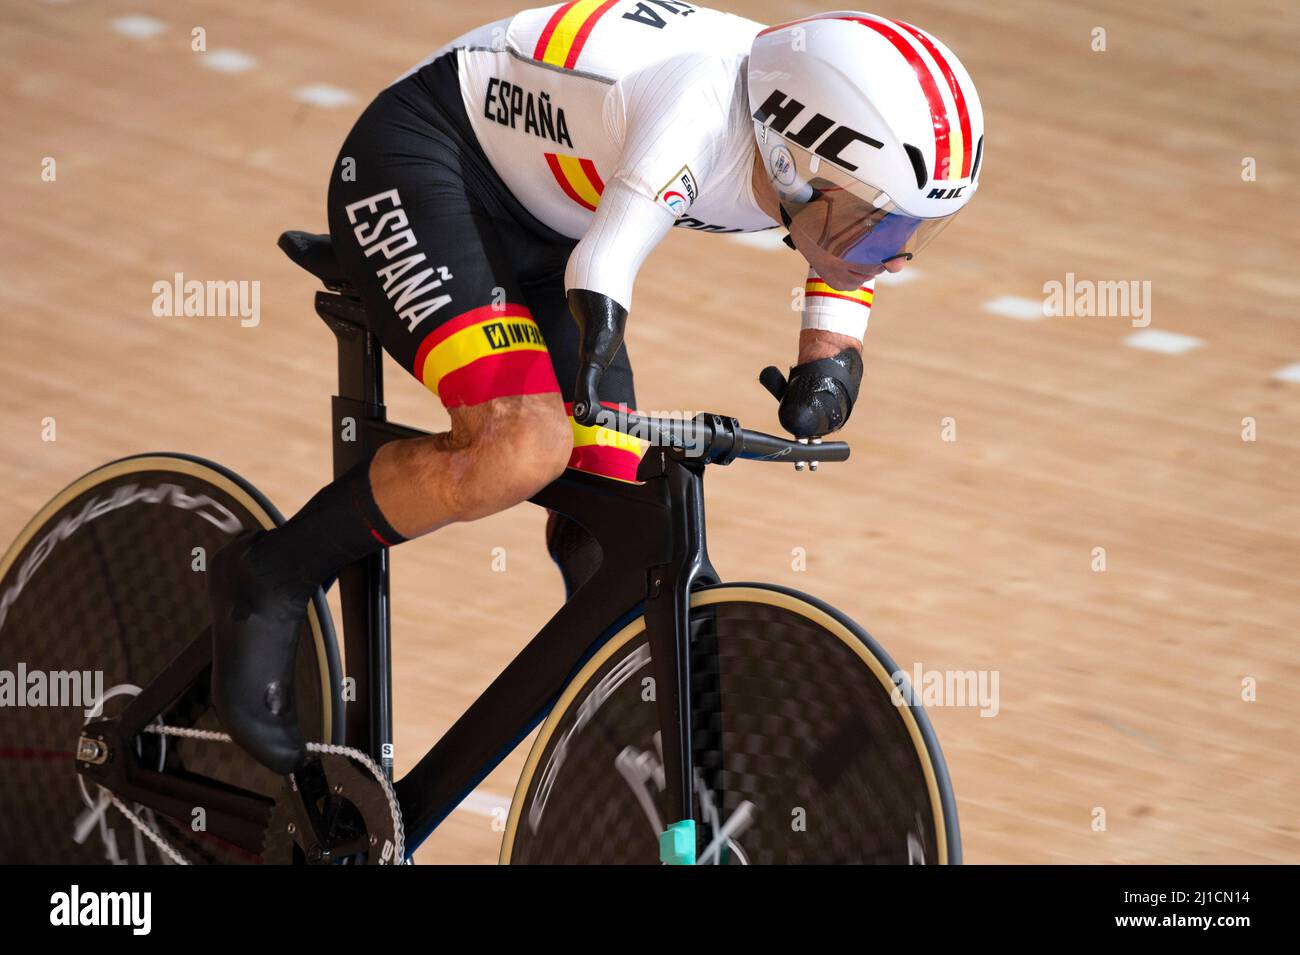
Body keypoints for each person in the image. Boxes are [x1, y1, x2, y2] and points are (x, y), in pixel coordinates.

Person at [209, 4, 985, 774]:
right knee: (523, 446)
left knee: (618, 505)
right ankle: (271, 573)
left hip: (546, 220)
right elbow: (603, 268)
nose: (897, 257)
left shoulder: (803, 132)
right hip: (422, 166)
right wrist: (574, 377)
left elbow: (840, 252)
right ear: (790, 160)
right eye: (887, 231)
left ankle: (617, 723)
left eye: (914, 233)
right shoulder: (698, 112)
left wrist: (831, 363)